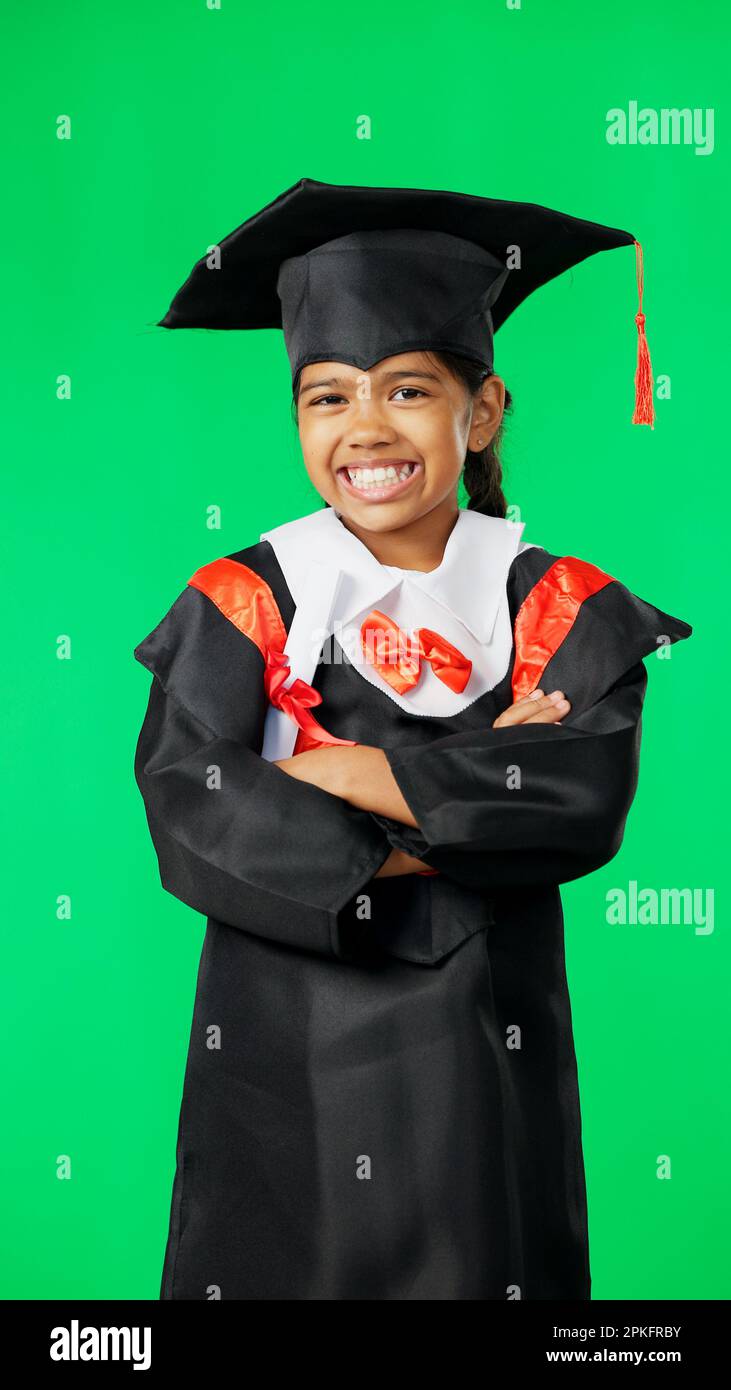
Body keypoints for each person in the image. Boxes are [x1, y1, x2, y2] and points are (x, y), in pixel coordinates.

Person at [133, 178, 692, 1300]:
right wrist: (446, 802)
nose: (364, 430)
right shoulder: (249, 598)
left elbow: (579, 794)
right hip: (280, 1043)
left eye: (407, 390)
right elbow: (191, 799)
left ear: (478, 412)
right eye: (325, 397)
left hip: (481, 1045)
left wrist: (345, 768)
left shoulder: (553, 604)